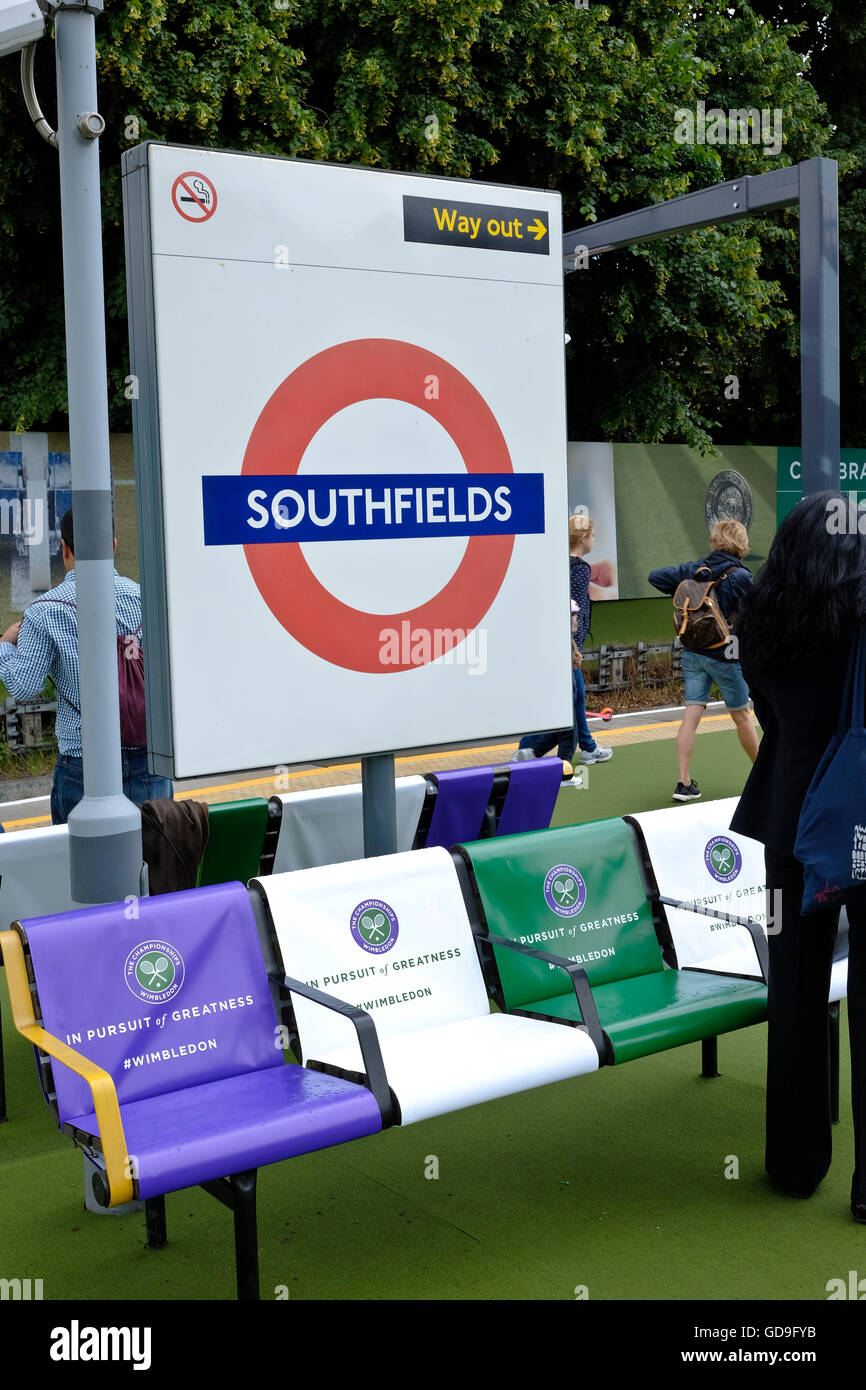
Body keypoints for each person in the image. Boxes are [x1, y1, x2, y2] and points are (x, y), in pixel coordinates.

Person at [731, 491, 866, 1220]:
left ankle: (794, 1163)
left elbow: (773, 718)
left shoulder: (764, 621)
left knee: (795, 993)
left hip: (789, 827)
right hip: (861, 825)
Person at [0, 508, 172, 824]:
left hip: (83, 764)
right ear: (115, 545)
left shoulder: (44, 611)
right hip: (149, 759)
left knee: (81, 864)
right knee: (156, 856)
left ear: (65, 549)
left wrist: (4, 647)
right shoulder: (149, 597)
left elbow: (25, 687)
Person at [648, 519, 759, 801]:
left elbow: (655, 577)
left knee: (692, 715)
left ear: (715, 541)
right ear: (741, 543)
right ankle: (764, 778)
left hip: (694, 652)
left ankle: (683, 783)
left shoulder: (696, 569)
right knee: (743, 717)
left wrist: (690, 584)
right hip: (726, 655)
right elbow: (755, 618)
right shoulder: (741, 576)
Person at [513, 513, 613, 767]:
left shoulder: (558, 564)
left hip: (556, 646)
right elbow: (573, 610)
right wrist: (575, 649)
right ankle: (531, 749)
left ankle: (587, 747)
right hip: (568, 649)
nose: (593, 540)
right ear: (582, 539)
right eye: (591, 536)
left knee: (576, 699)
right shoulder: (579, 569)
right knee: (570, 703)